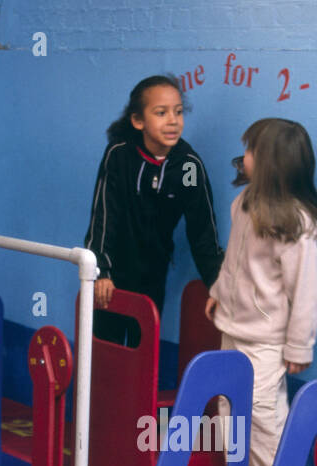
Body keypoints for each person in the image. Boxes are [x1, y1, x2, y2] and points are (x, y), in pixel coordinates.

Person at [206, 118, 317, 466]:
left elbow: (305, 292)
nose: (245, 156)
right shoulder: (243, 204)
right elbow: (233, 260)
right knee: (227, 405)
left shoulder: (296, 225)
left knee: (262, 414)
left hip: (268, 340)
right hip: (233, 329)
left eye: (252, 150)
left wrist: (299, 348)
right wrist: (219, 291)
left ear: (273, 162)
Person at [84, 75, 223, 345]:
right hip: (112, 276)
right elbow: (103, 216)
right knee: (106, 352)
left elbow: (202, 229)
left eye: (178, 112)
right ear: (138, 121)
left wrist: (217, 283)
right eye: (161, 113)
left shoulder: (187, 167)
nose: (173, 120)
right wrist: (101, 270)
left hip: (152, 274)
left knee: (142, 351)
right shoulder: (119, 155)